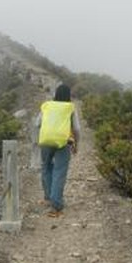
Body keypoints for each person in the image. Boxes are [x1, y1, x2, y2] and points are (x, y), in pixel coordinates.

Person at [35, 84, 81, 217]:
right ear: (69, 95)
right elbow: (77, 129)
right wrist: (76, 144)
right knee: (59, 171)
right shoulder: (70, 107)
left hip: (46, 141)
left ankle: (48, 197)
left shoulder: (47, 105)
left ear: (55, 94)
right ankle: (56, 205)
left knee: (46, 167)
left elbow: (37, 123)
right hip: (64, 142)